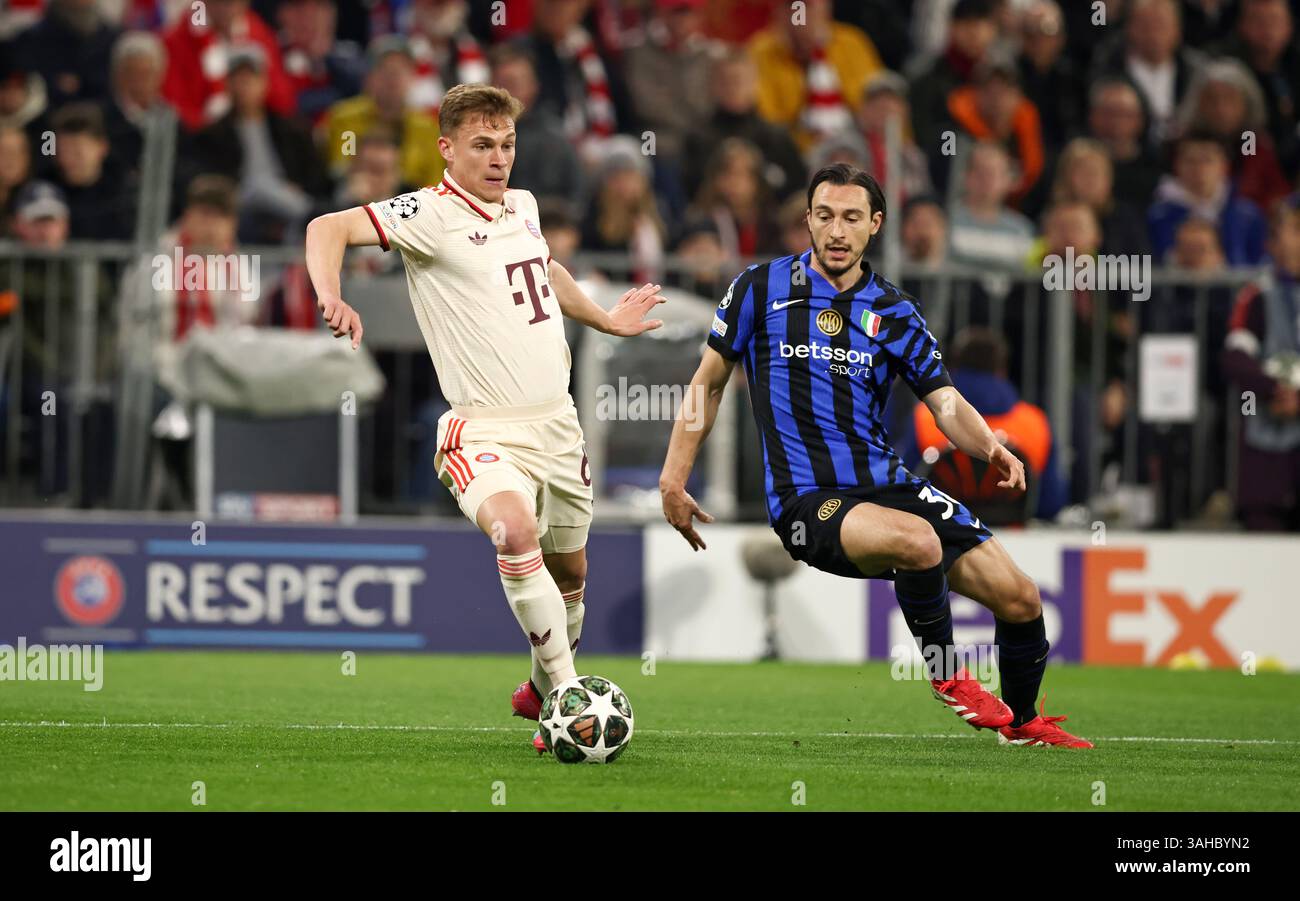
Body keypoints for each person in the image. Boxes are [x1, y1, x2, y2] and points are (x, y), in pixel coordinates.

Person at [659, 163, 1092, 748]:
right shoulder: (759, 289)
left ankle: (1020, 723)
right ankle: (947, 676)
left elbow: (944, 402)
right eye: (825, 216)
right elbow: (707, 384)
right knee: (919, 543)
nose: (837, 231)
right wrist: (673, 476)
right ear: (808, 220)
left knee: (1021, 597)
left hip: (886, 485)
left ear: (875, 225)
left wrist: (989, 445)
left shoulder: (895, 311)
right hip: (807, 499)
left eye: (851, 218)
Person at [303, 84, 666, 754]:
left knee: (572, 575)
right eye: (482, 145)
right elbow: (326, 227)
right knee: (514, 527)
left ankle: (537, 685)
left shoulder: (524, 207)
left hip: (558, 424)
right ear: (446, 148)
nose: (499, 158)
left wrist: (606, 317)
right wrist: (332, 294)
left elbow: (543, 269)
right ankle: (565, 694)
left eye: (506, 144)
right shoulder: (428, 214)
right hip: (485, 429)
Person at [1222, 194, 1300, 531]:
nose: (1284, 240)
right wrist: (1274, 390)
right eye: (1282, 231)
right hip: (1267, 442)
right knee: (1264, 525)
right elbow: (1235, 356)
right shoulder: (1257, 294)